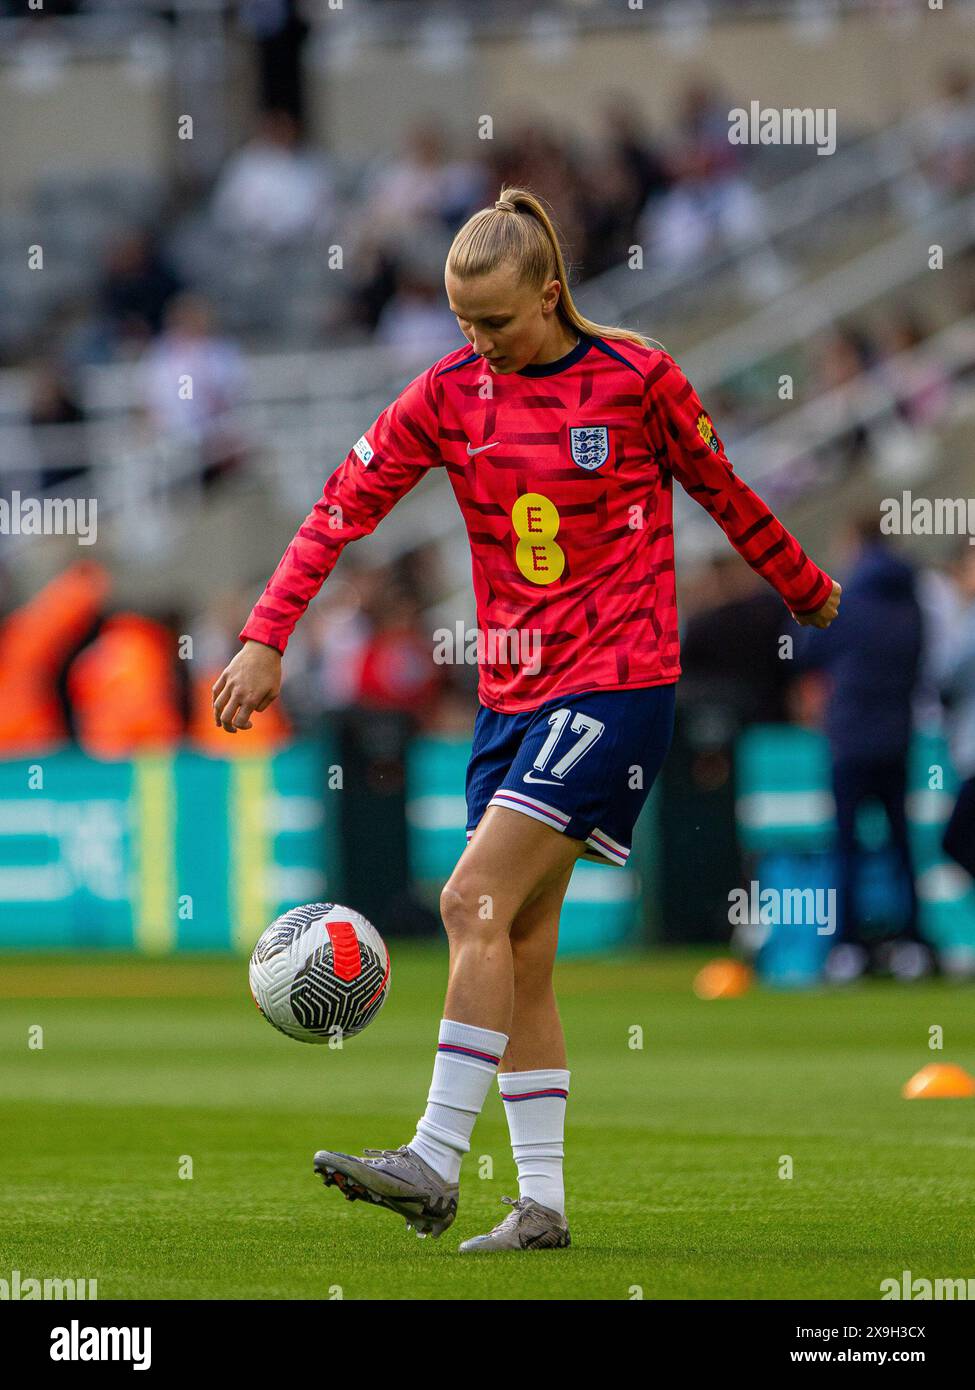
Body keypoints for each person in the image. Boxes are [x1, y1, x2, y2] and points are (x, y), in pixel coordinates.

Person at [212, 187, 840, 1252]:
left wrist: (810, 589)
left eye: (497, 323)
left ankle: (432, 1156)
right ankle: (541, 1204)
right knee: (522, 943)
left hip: (618, 682)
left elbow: (724, 489)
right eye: (463, 324)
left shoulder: (637, 379)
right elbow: (339, 509)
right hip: (510, 697)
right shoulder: (449, 394)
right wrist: (267, 632)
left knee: (469, 900)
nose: (479, 343)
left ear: (551, 294)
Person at [799, 516, 925, 981]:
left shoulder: (847, 601)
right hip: (898, 735)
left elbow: (811, 651)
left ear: (855, 541)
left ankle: (848, 947)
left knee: (846, 847)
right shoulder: (912, 600)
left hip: (850, 738)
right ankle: (912, 944)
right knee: (901, 845)